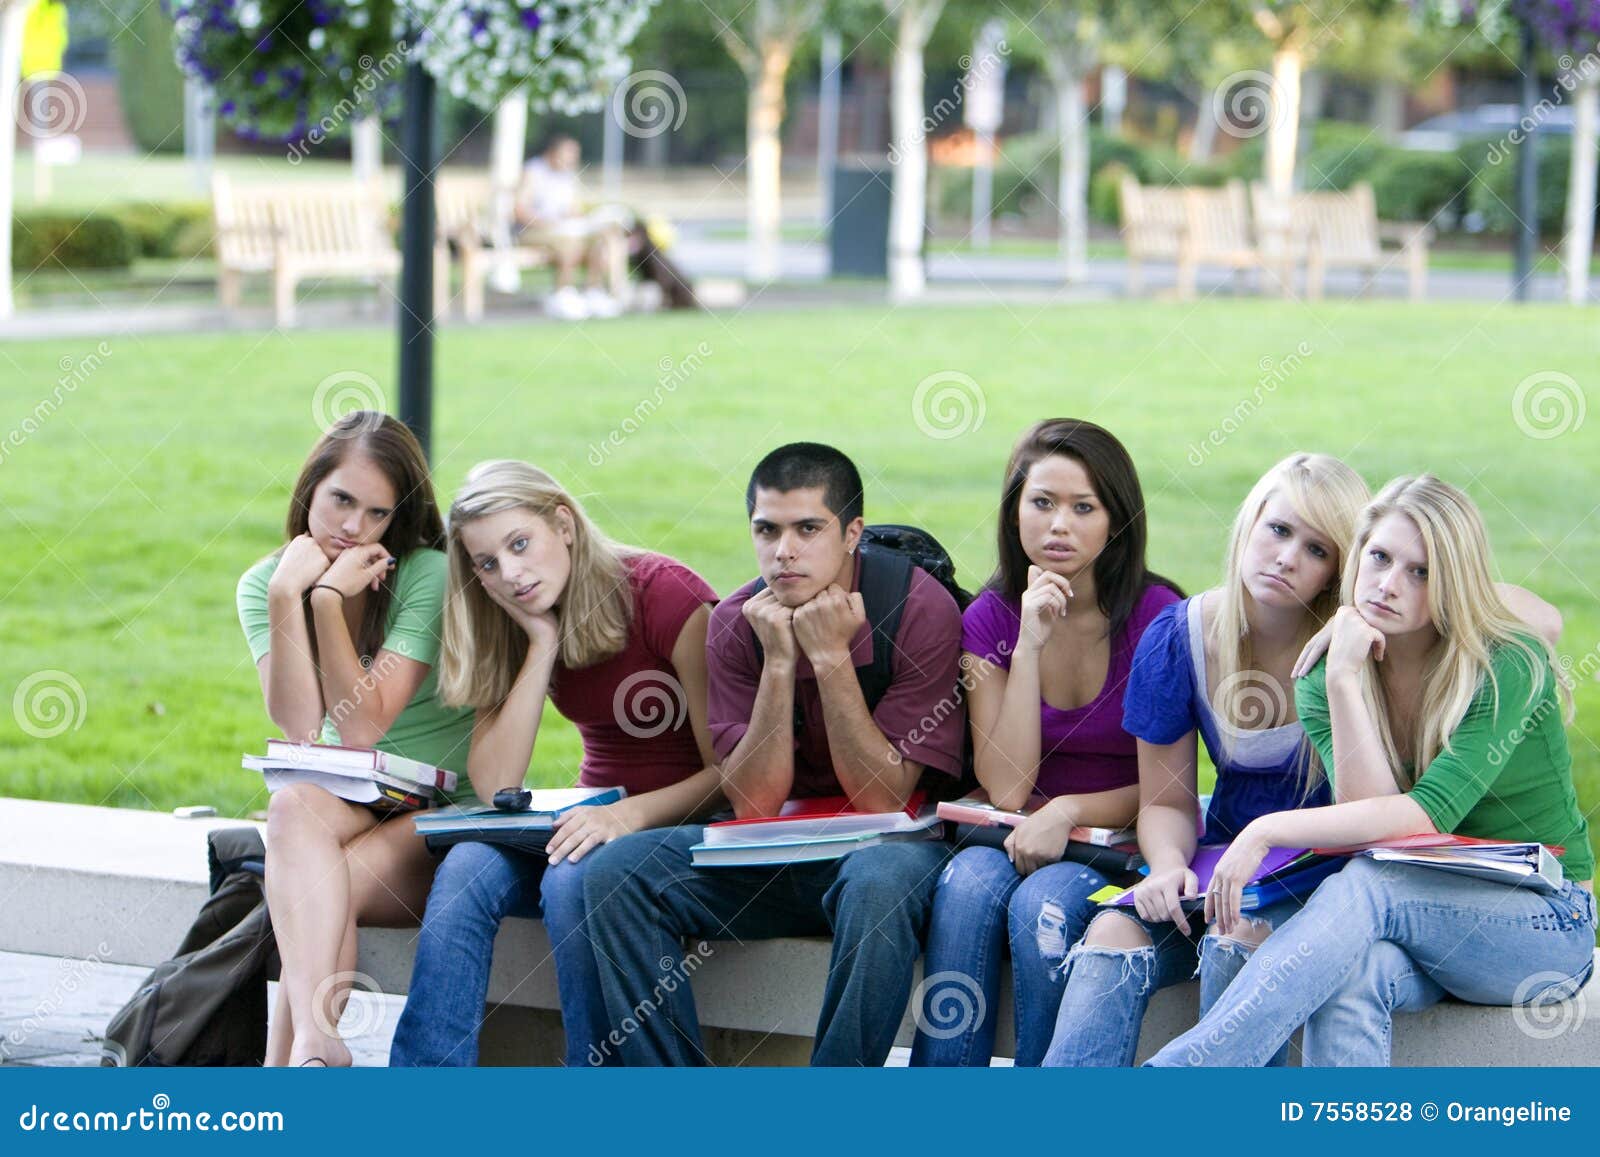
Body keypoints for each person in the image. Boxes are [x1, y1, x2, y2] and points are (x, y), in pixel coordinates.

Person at [1147, 475, 1593, 1067]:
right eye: (1379, 557)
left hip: (1544, 918)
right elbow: (1370, 825)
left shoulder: (1505, 664)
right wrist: (1342, 682)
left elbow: (1418, 819)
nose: (1389, 584)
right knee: (1350, 972)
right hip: (1425, 912)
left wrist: (1265, 829)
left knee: (1364, 887)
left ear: (1453, 582)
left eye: (1422, 571)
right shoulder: (1325, 675)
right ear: (1357, 556)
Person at [581, 442, 966, 1066]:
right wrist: (781, 661)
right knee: (615, 874)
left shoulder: (918, 608)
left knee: (877, 880)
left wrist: (832, 656)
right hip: (776, 850)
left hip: (891, 853)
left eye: (808, 528)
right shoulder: (738, 621)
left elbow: (883, 796)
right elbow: (754, 804)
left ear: (852, 534)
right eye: (767, 530)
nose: (783, 550)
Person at [388, 460, 724, 1067]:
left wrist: (626, 817)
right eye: (487, 564)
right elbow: (495, 786)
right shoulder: (517, 614)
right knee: (465, 864)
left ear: (563, 524)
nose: (510, 574)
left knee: (574, 874)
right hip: (586, 819)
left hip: (678, 828)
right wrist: (540, 644)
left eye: (520, 545)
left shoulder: (664, 594)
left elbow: (732, 773)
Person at [910, 420, 1182, 1066]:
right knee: (965, 887)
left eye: (1083, 507)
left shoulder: (1159, 618)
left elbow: (1169, 787)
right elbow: (1006, 785)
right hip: (1014, 832)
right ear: (1015, 512)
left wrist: (1068, 810)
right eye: (1043, 503)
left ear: (1115, 520)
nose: (1060, 524)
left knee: (1041, 910)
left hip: (1117, 841)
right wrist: (1028, 642)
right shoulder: (990, 620)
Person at [237, 410, 472, 1068]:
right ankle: (315, 1049)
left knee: (309, 890)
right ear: (311, 487)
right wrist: (289, 591)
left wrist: (325, 605)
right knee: (289, 809)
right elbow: (301, 728)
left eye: (376, 513)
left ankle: (290, 1071)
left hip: (444, 810)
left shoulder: (426, 573)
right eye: (341, 499)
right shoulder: (265, 582)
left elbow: (366, 724)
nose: (352, 527)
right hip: (352, 796)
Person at [515, 135, 626, 320]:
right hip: (533, 231)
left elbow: (572, 210)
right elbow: (519, 210)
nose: (572, 159)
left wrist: (587, 219)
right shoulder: (533, 172)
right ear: (552, 152)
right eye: (568, 153)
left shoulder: (567, 176)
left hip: (565, 230)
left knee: (598, 240)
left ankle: (594, 291)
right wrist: (550, 224)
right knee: (569, 242)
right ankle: (563, 293)